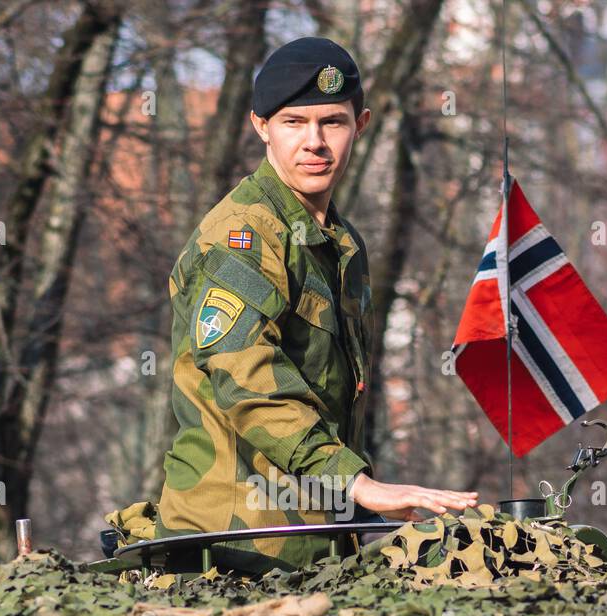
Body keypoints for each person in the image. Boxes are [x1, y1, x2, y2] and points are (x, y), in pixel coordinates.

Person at [154, 37, 477, 574]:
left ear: (362, 124)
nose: (315, 143)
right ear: (260, 127)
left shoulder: (337, 240)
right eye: (293, 123)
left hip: (311, 539)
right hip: (233, 546)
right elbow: (248, 382)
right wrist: (354, 482)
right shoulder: (242, 236)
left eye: (332, 122)